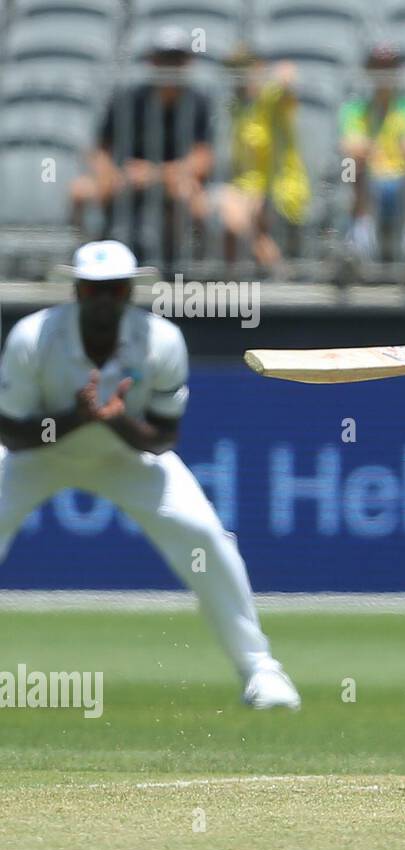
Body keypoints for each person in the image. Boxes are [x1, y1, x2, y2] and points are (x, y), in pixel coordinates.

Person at [0, 241, 300, 710]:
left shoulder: (161, 341)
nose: (103, 299)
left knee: (205, 537)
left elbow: (162, 438)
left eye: (114, 289)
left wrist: (115, 419)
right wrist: (76, 418)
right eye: (93, 289)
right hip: (38, 455)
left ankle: (261, 671)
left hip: (127, 456)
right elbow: (13, 434)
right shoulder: (32, 338)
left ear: (129, 293)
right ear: (77, 291)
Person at [69, 25, 213, 266]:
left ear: (187, 63)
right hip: (124, 178)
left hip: (171, 180)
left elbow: (202, 160)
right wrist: (109, 174)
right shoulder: (127, 98)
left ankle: (174, 266)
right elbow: (99, 150)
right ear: (152, 62)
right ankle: (90, 260)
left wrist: (154, 174)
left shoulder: (197, 101)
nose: (169, 66)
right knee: (80, 191)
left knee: (188, 196)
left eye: (176, 60)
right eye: (164, 59)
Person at [216, 46, 311, 271]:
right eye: (235, 71)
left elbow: (288, 73)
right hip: (247, 191)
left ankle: (268, 271)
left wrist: (268, 78)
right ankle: (269, 269)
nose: (238, 77)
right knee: (217, 205)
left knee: (236, 211)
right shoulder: (237, 108)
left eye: (244, 69)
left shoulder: (272, 99)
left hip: (281, 189)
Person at [338, 43, 405, 263]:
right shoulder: (355, 109)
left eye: (389, 68)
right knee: (354, 167)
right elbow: (349, 145)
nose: (383, 75)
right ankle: (358, 238)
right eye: (378, 68)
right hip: (370, 179)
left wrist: (369, 147)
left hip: (401, 180)